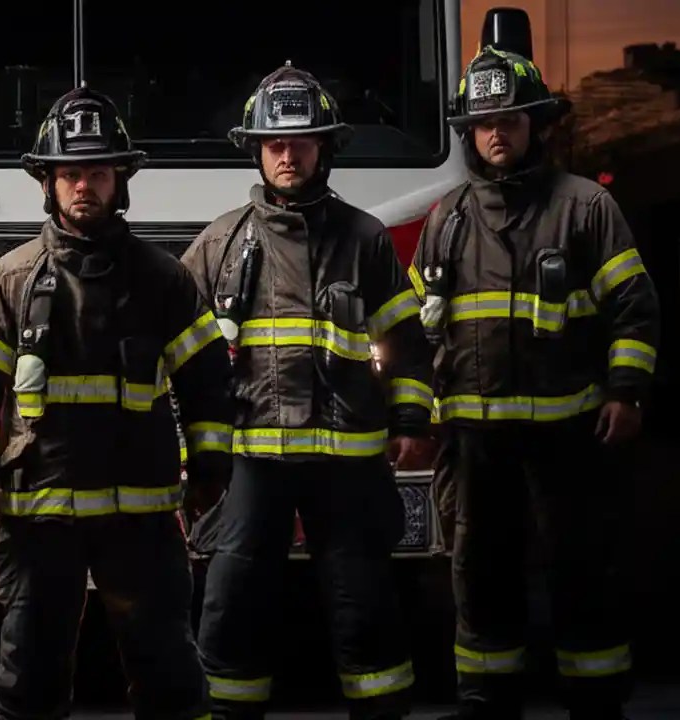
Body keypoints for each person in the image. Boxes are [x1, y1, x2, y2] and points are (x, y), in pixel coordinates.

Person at [0, 84, 235, 720]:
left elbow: (207, 380)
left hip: (142, 520)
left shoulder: (165, 279)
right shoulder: (12, 279)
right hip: (39, 517)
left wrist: (212, 465)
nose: (84, 187)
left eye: (97, 173)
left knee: (168, 673)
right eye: (70, 174)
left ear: (120, 181)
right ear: (47, 183)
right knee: (30, 676)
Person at [410, 47, 661, 720]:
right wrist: (416, 412)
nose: (498, 133)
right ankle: (488, 701)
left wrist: (626, 391)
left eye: (512, 120)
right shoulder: (448, 219)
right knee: (480, 575)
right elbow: (417, 324)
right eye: (486, 122)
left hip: (570, 435)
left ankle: (595, 699)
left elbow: (633, 308)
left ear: (537, 125)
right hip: (475, 442)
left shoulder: (586, 206)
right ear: (469, 131)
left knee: (583, 570)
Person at [180, 62, 434, 720]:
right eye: (276, 145)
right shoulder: (219, 242)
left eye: (301, 143)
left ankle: (381, 713)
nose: (288, 156)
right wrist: (190, 449)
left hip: (348, 463)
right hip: (250, 464)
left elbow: (406, 341)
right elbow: (181, 356)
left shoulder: (366, 239)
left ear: (325, 148)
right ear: (257, 150)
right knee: (231, 603)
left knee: (365, 607)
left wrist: (410, 417)